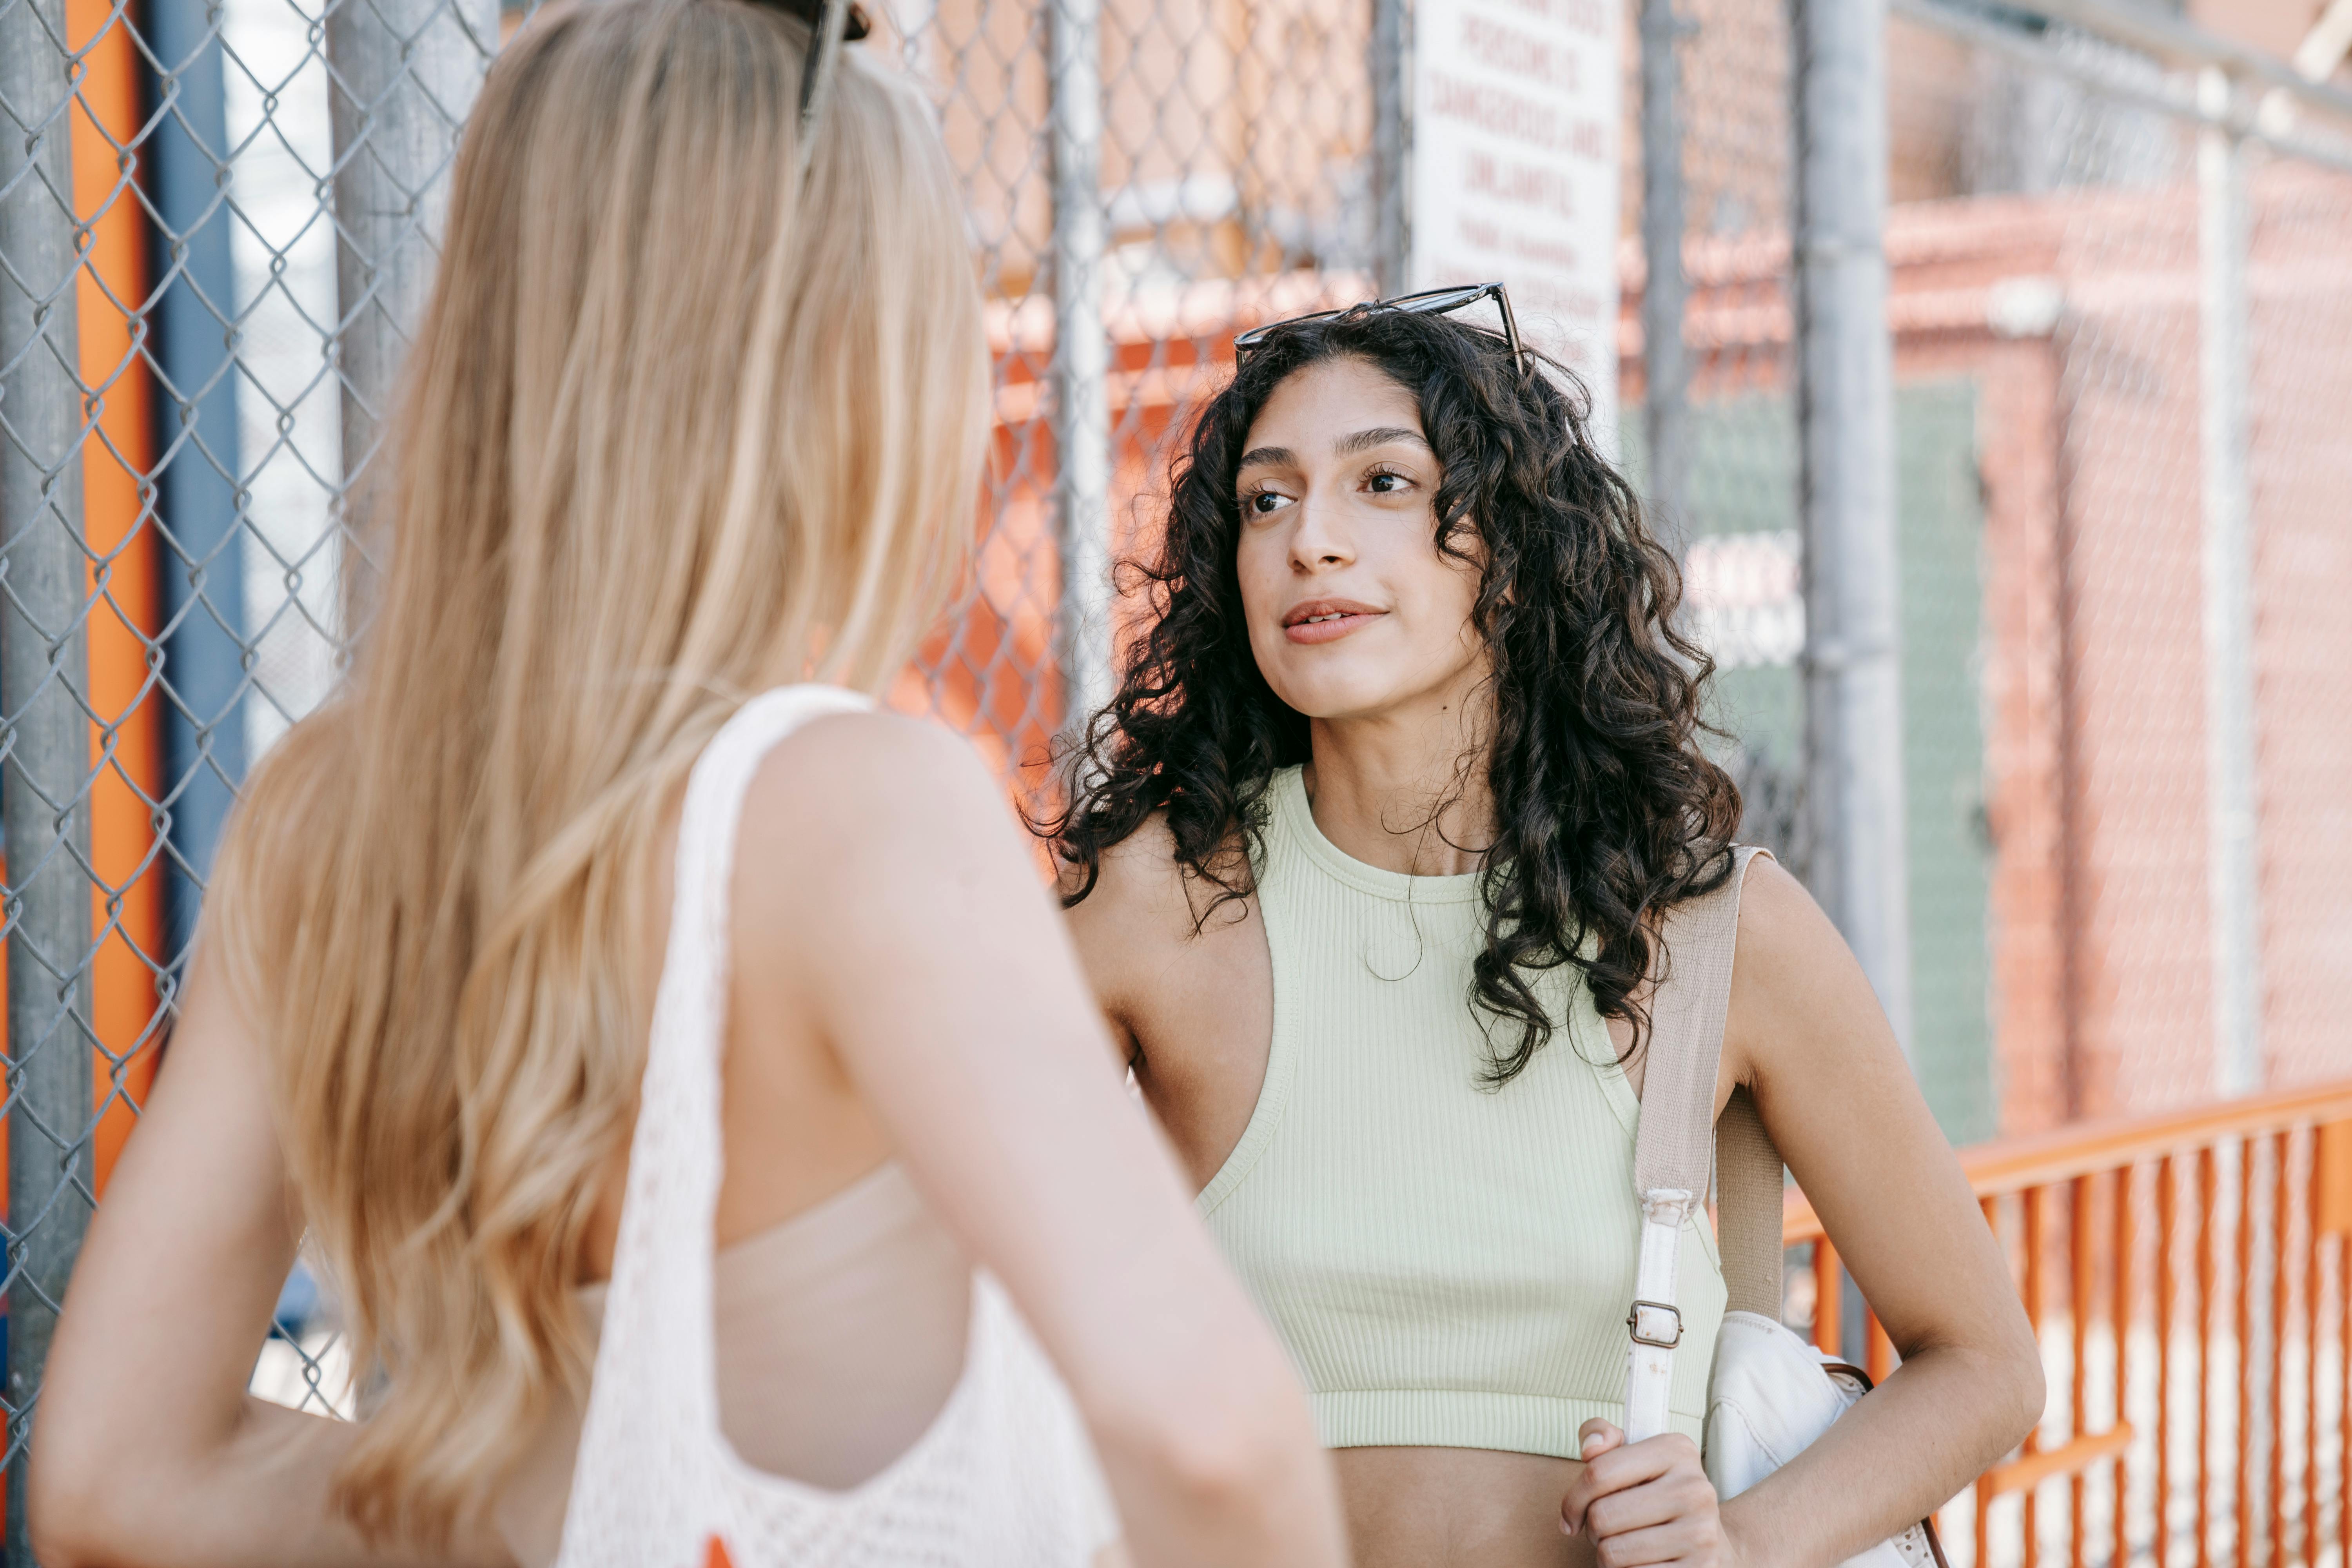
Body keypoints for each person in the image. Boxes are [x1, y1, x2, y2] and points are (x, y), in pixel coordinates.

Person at [29, 4, 1349, 1565]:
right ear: (843, 377)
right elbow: (1214, 1440)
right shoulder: (860, 809)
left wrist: (527, 1501)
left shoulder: (329, 820)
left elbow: (115, 1472)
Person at [1043, 290, 2045, 1568]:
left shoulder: (1709, 929)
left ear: (1509, 555)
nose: (1312, 543)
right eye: (1267, 500)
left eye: (1386, 484)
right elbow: (942, 1295)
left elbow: (1985, 1365)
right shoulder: (1152, 898)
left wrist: (1740, 1541)